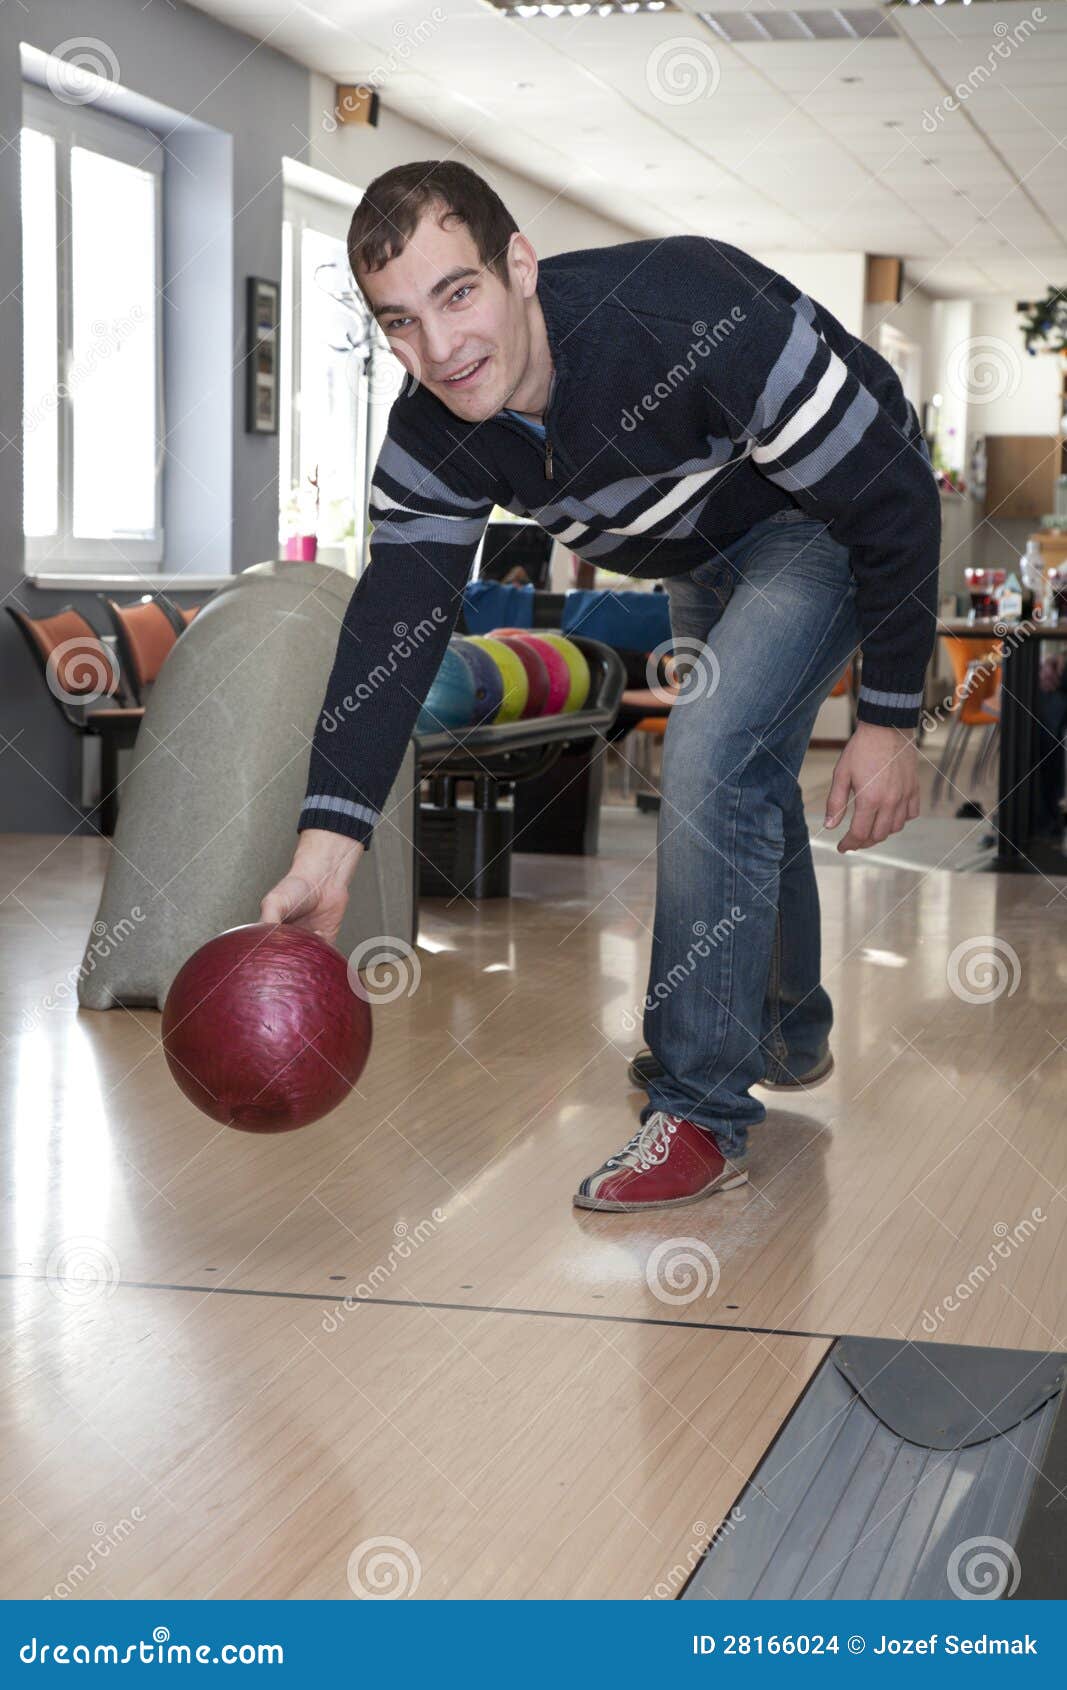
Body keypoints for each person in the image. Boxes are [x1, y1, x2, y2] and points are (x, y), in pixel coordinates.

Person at [261, 160, 939, 1214]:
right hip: (696, 545)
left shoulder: (685, 316)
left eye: (458, 294)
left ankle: (697, 1107)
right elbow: (394, 628)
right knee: (743, 771)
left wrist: (891, 717)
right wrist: (325, 847)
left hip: (823, 514)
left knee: (709, 751)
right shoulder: (433, 434)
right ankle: (782, 1031)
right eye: (399, 323)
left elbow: (892, 494)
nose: (439, 350)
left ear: (518, 266)